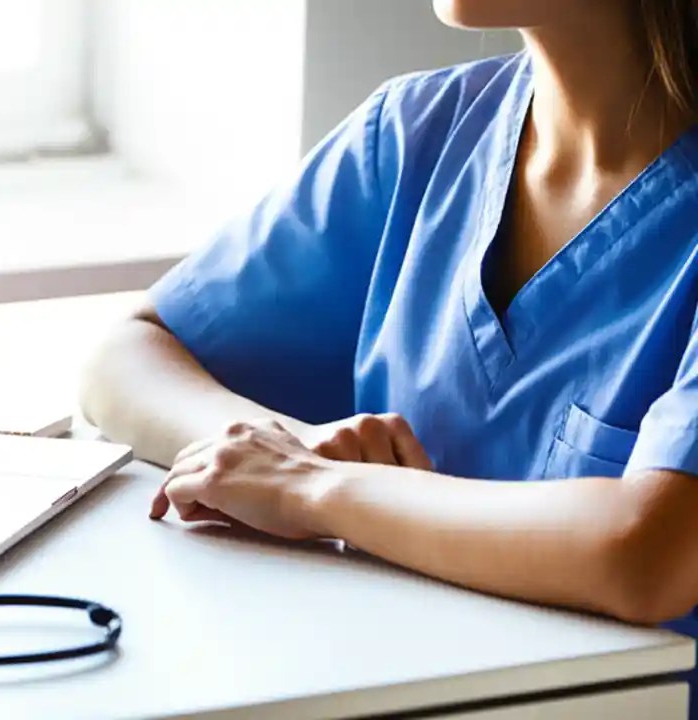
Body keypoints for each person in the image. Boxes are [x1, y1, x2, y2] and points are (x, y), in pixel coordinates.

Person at [80, 0, 698, 692]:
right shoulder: (415, 135)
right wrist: (282, 452)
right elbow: (125, 359)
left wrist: (319, 489)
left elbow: (652, 555)